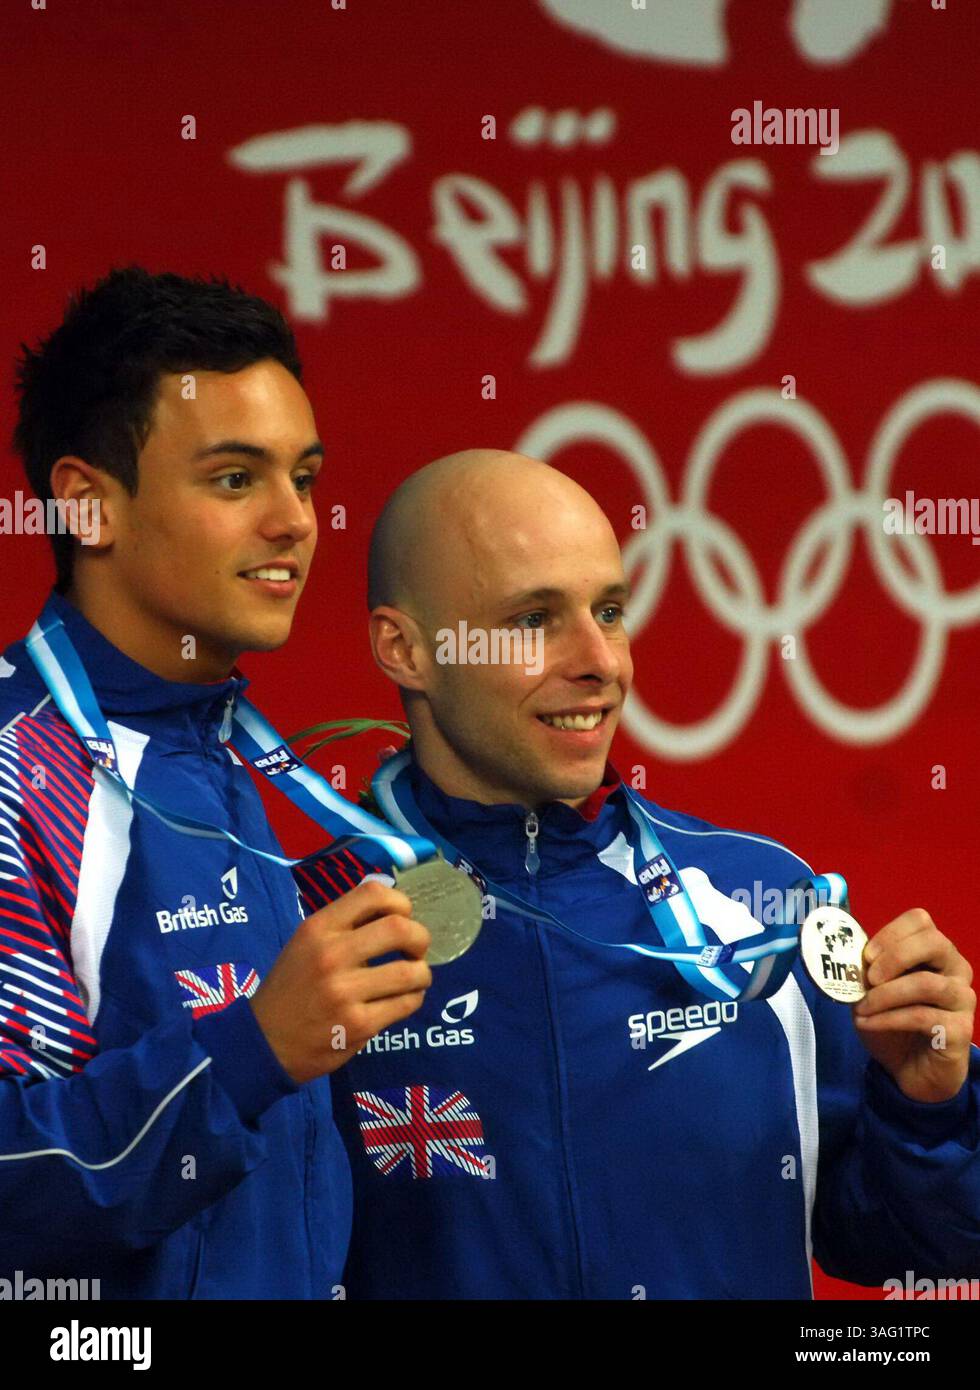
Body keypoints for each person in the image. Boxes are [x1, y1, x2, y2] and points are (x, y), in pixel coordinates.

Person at [297, 448, 980, 1300]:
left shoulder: (765, 909)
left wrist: (926, 1108)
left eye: (610, 610)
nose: (601, 662)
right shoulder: (310, 939)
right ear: (405, 649)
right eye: (535, 619)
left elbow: (906, 1246)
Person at [0, 267, 431, 1299]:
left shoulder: (245, 764)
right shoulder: (22, 775)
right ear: (87, 504)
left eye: (306, 476)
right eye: (236, 479)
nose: (296, 521)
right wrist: (247, 1052)